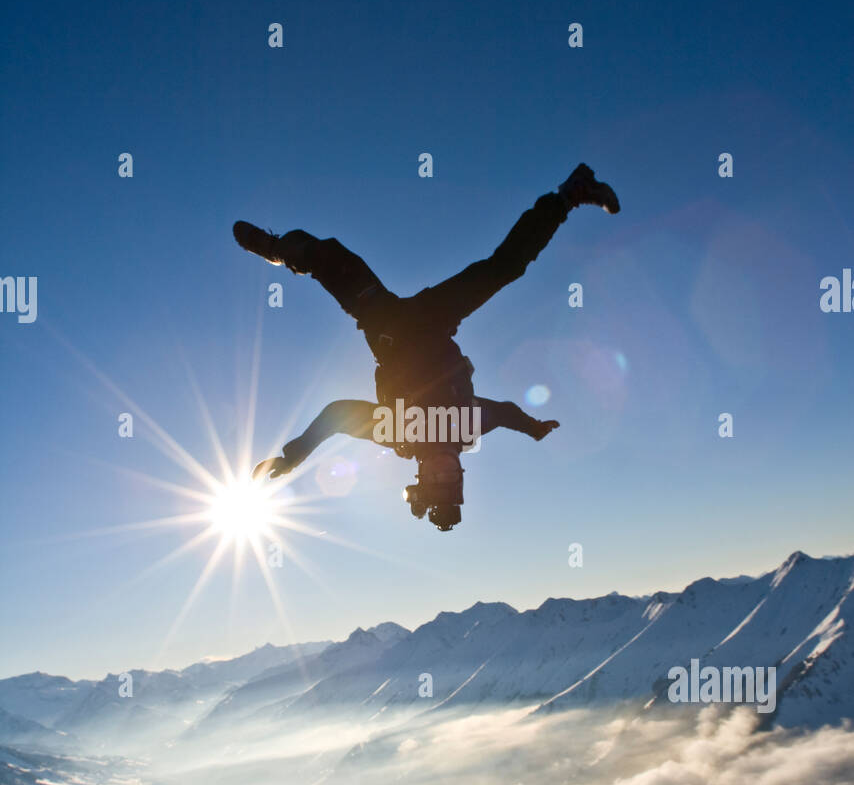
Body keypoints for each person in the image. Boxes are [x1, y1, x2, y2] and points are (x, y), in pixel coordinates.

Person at [234, 162, 619, 530]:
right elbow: (502, 413)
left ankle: (279, 249)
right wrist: (533, 428)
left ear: (420, 476)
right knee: (504, 268)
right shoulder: (465, 428)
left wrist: (291, 458)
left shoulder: (398, 433)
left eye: (437, 477)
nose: (444, 467)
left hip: (384, 323)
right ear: (461, 473)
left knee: (329, 257)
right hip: (434, 321)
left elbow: (337, 415)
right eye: (453, 475)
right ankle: (571, 194)